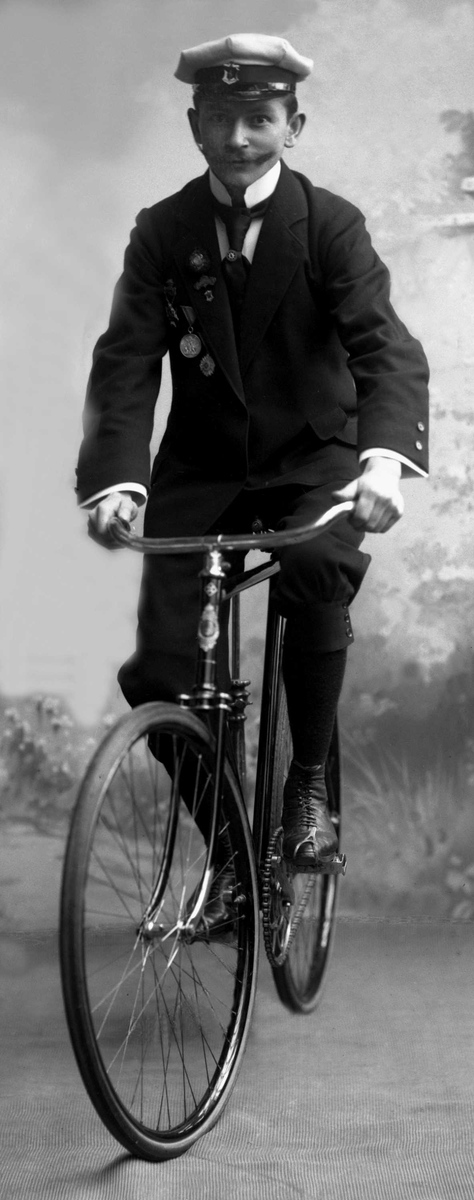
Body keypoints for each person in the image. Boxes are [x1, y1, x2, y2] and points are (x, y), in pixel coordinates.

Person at [77, 34, 429, 920]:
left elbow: (385, 348)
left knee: (316, 568)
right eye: (222, 118)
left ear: (293, 125)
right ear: (195, 125)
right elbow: (126, 362)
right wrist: (117, 480)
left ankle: (305, 788)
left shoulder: (331, 224)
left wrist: (383, 459)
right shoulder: (164, 231)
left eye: (260, 119)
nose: (239, 137)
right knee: (160, 671)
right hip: (201, 471)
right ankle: (236, 856)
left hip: (312, 459)